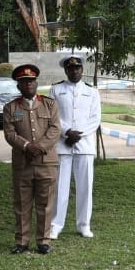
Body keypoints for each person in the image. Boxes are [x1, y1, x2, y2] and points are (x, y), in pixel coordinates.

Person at [2, 63, 61, 254]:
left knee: (45, 203)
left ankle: (43, 241)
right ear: (18, 85)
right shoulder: (11, 107)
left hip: (46, 162)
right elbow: (9, 133)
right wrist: (27, 146)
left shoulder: (49, 104)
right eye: (24, 82)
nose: (28, 85)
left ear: (36, 83)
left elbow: (55, 129)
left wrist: (40, 146)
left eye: (31, 81)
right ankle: (22, 241)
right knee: (22, 203)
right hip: (23, 163)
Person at [48, 55, 101, 239]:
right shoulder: (56, 89)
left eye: (77, 68)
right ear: (66, 71)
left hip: (84, 144)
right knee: (59, 187)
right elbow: (52, 115)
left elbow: (95, 119)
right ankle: (55, 225)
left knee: (85, 186)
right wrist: (66, 132)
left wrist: (78, 134)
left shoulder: (92, 92)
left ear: (82, 70)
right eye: (71, 69)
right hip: (62, 144)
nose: (74, 71)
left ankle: (84, 224)